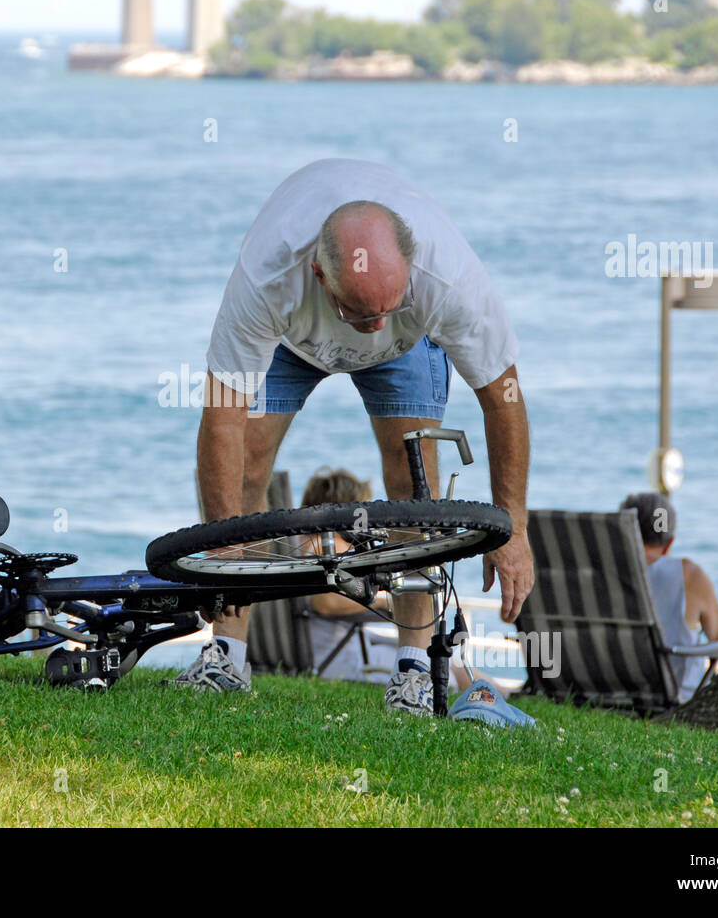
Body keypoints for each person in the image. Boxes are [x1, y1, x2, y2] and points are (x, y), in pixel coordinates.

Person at [171, 158, 533, 717]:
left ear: (410, 269)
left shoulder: (445, 278)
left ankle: (412, 674)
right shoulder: (271, 273)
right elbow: (221, 418)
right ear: (319, 274)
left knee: (413, 484)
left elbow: (503, 399)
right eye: (362, 314)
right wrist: (224, 549)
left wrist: (515, 528)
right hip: (295, 341)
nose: (375, 326)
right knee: (246, 466)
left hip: (409, 350)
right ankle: (226, 655)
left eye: (390, 307)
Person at [297, 467, 498, 694]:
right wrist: (386, 602)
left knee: (434, 654)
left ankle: (500, 692)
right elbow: (327, 603)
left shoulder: (298, 546)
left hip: (337, 644)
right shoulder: (329, 547)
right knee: (439, 667)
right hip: (336, 658)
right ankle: (499, 694)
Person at [619, 491, 718, 703]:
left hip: (611, 686)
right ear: (669, 542)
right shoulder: (688, 574)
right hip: (673, 693)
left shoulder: (600, 569)